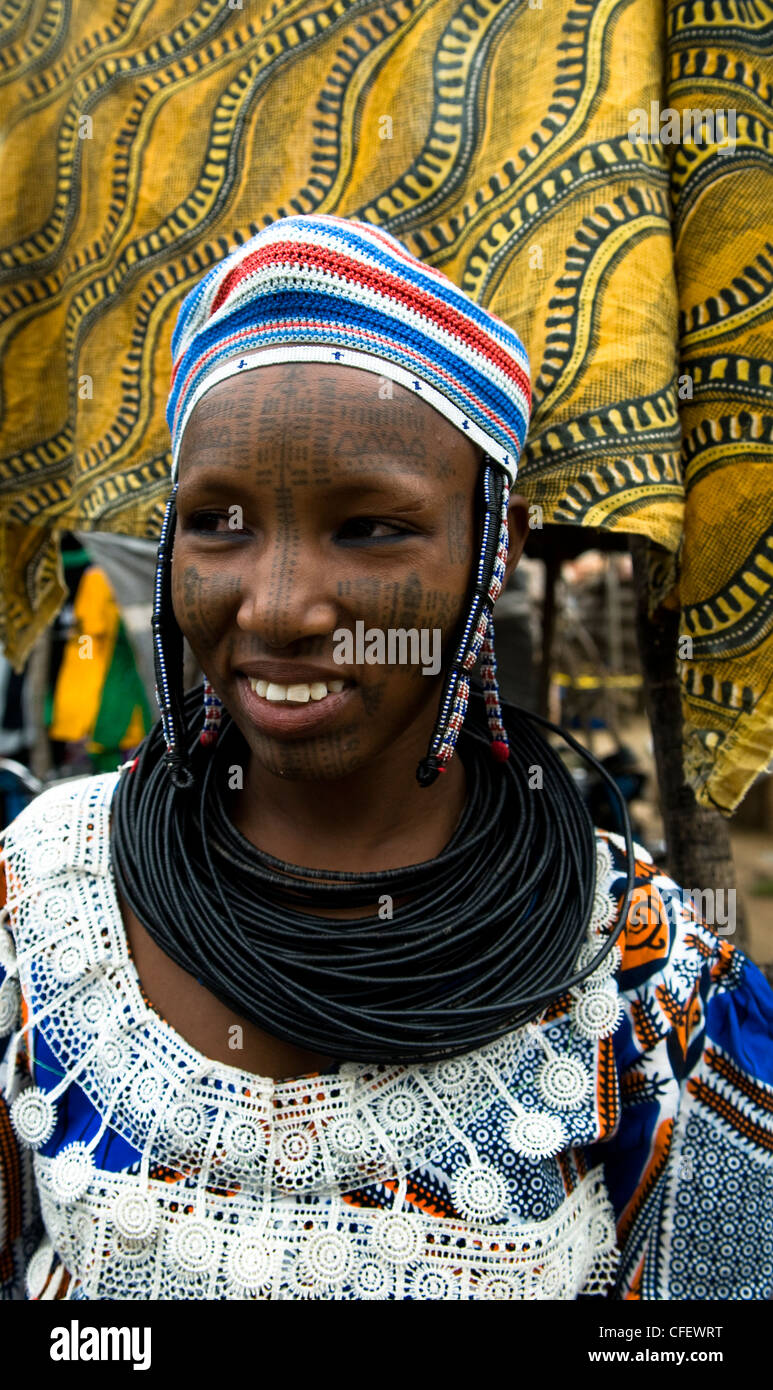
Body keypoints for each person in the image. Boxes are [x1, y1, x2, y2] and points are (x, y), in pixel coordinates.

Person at [1, 215, 771, 1302]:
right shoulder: (38, 902)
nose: (274, 605)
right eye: (217, 521)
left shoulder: (636, 970)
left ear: (487, 548)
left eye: (367, 528)